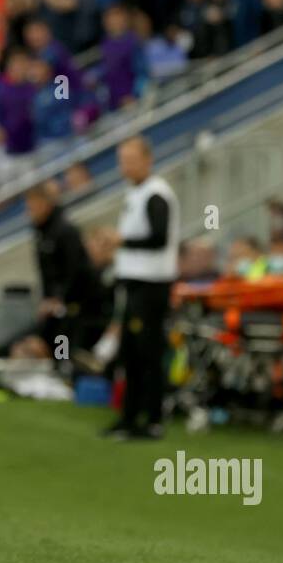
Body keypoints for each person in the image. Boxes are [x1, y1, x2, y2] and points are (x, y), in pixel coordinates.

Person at [106, 137, 179, 440]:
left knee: (147, 353)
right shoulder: (136, 193)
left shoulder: (156, 195)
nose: (126, 166)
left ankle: (151, 420)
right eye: (123, 160)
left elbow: (159, 238)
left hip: (151, 285)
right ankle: (129, 416)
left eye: (131, 159)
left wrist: (122, 242)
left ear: (147, 160)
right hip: (135, 283)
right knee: (131, 354)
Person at [24, 182, 108, 355]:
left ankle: (64, 370)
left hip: (76, 312)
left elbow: (76, 271)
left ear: (44, 203)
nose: (29, 212)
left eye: (32, 206)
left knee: (62, 352)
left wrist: (59, 299)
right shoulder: (42, 235)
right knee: (32, 346)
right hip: (56, 309)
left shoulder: (65, 232)